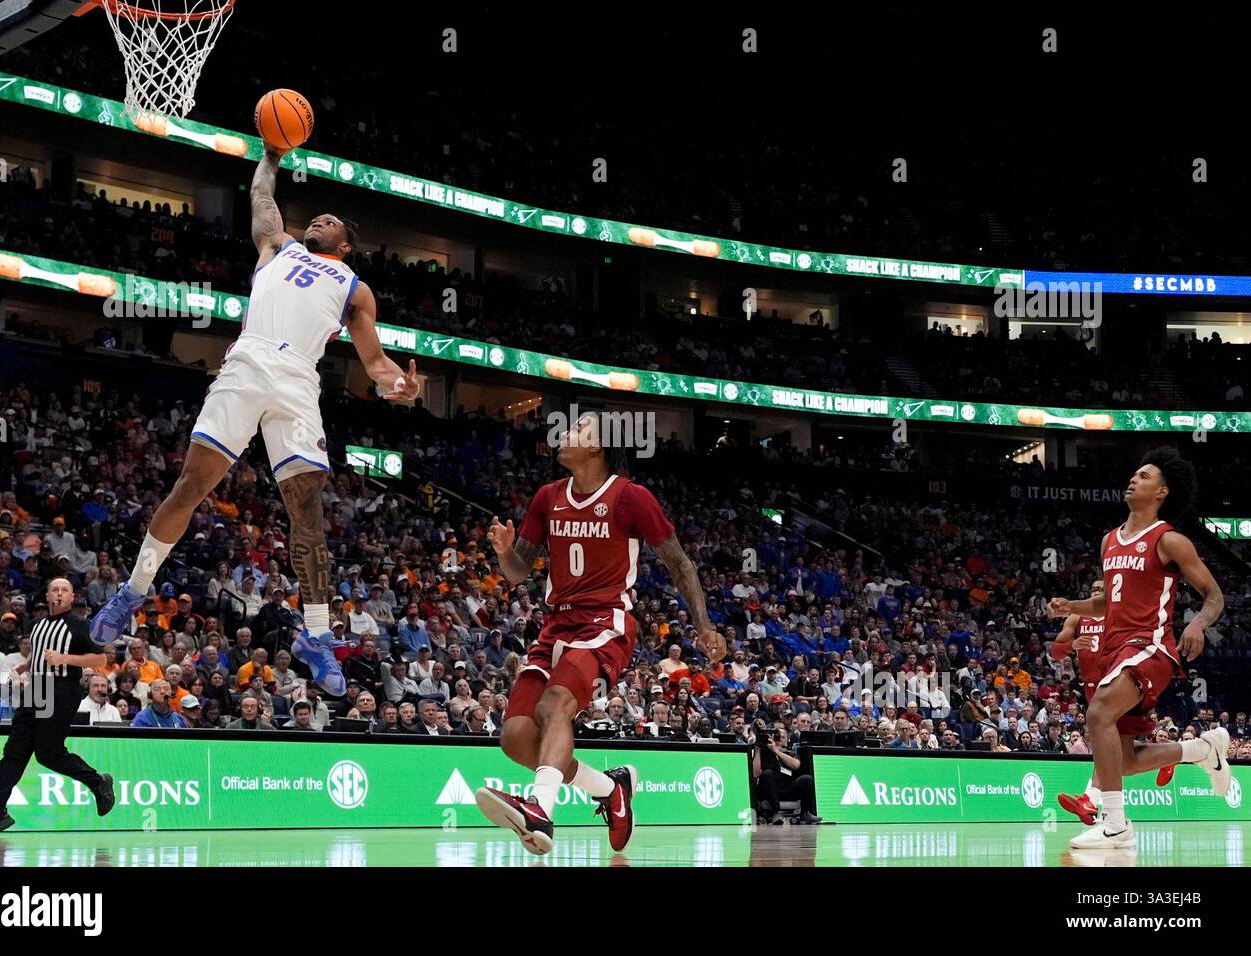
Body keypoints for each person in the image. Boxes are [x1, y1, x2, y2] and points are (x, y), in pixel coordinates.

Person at [87, 144, 421, 701]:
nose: (318, 220)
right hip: (249, 359)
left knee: (307, 508)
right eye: (315, 216)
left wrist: (402, 390)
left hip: (298, 379)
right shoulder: (278, 243)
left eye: (330, 221)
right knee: (193, 484)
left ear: (346, 245)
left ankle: (316, 636)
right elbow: (262, 195)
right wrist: (271, 153)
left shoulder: (356, 289)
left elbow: (377, 364)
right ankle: (133, 590)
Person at [475, 412, 726, 855]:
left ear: (597, 448)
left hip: (606, 623)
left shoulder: (631, 497)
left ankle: (540, 809)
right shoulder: (547, 496)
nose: (565, 435)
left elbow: (680, 563)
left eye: (577, 430)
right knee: (515, 736)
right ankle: (610, 789)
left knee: (556, 705)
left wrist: (704, 626)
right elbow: (516, 572)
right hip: (556, 625)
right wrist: (504, 552)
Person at [1049, 448, 1229, 849]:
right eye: (1134, 474)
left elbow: (1214, 595)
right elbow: (1107, 604)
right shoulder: (1109, 540)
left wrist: (1198, 623)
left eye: (1144, 476)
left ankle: (1115, 824)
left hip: (1150, 647)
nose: (1134, 479)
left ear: (1161, 491)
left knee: (1099, 713)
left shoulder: (1170, 540)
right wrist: (1071, 606)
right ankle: (1201, 749)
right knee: (1124, 760)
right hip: (1115, 650)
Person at [0, 578, 116, 835]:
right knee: (15, 749)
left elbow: (101, 658)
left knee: (48, 753)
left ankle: (98, 782)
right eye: (54, 590)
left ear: (72, 598)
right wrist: (26, 665)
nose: (59, 594)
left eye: (65, 590)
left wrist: (65, 658)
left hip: (62, 689)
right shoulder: (37, 625)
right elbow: (38, 651)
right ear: (47, 597)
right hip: (35, 689)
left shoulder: (81, 626)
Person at [1051, 580, 1175, 825]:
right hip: (1091, 687)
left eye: (1102, 589)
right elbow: (1055, 651)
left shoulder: (1120, 614)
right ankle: (1166, 756)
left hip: (1119, 683)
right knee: (1113, 746)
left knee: (1108, 742)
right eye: (1094, 589)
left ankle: (1090, 799)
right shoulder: (1077, 618)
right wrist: (1071, 645)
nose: (1097, 592)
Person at [753, 727, 819, 825]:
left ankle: (804, 814)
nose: (779, 739)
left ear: (787, 740)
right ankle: (776, 812)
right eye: (776, 737)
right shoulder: (764, 753)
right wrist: (758, 750)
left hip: (788, 788)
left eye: (782, 737)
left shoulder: (790, 752)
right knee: (767, 774)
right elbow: (755, 773)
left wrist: (776, 751)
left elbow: (796, 765)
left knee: (807, 779)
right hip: (770, 790)